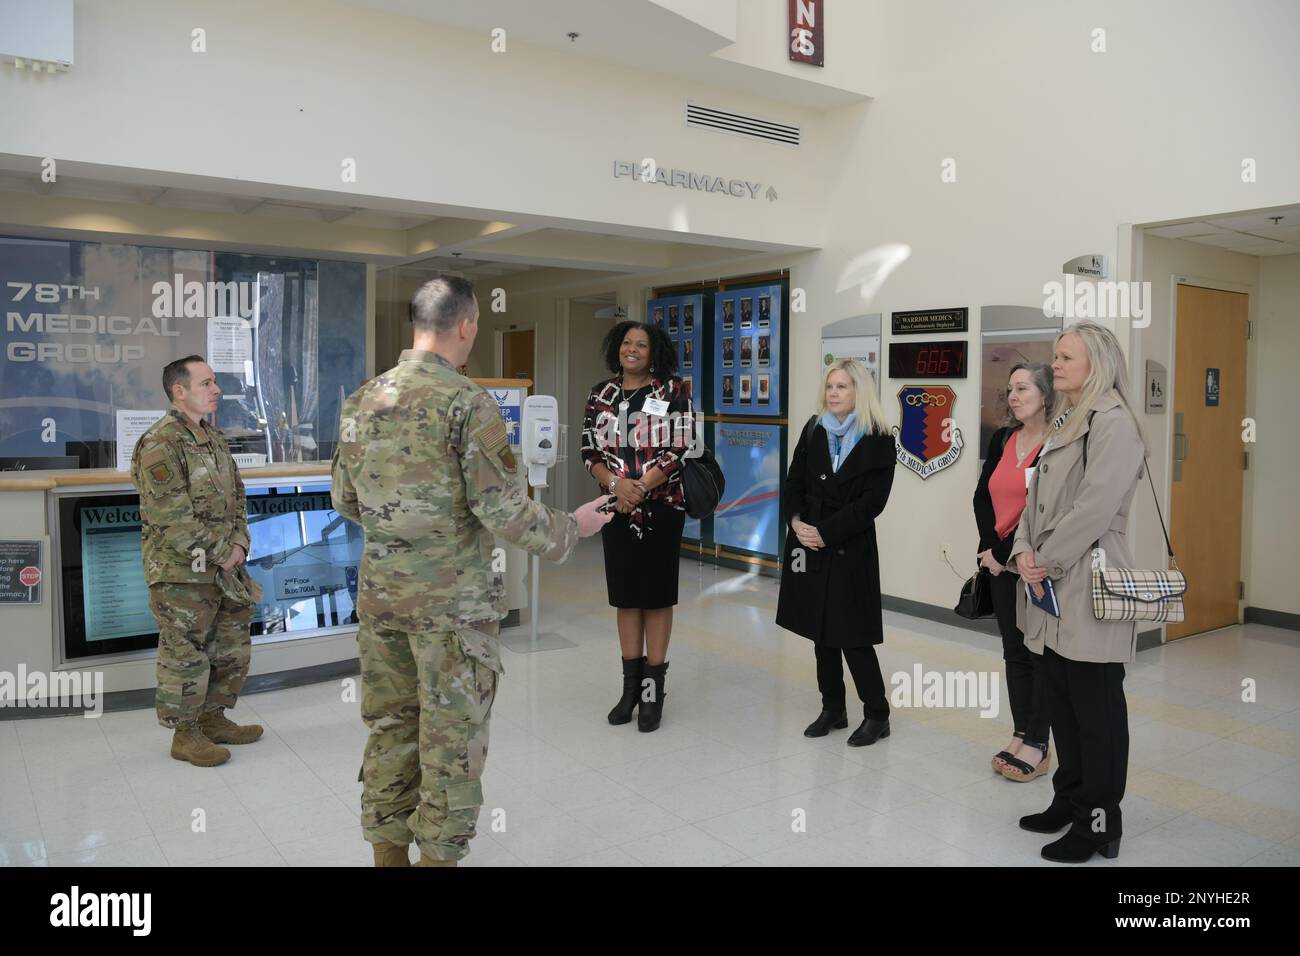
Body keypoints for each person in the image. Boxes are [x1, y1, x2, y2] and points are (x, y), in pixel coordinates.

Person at [331, 276, 611, 867]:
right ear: (465, 326)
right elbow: (501, 508)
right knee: (451, 743)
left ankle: (388, 856)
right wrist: (572, 527)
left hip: (381, 602)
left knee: (390, 730)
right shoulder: (466, 402)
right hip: (452, 612)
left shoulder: (361, 398)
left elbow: (346, 501)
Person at [1010, 320, 1146, 863]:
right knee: (1062, 703)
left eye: (1066, 357)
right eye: (1055, 356)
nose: (1055, 365)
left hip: (1088, 580)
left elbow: (1093, 507)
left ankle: (1099, 824)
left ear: (1098, 363)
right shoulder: (1068, 419)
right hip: (1050, 580)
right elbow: (1034, 494)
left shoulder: (1114, 423)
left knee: (1097, 712)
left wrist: (1042, 559)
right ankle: (1068, 800)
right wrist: (1023, 548)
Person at [131, 355, 265, 768]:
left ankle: (213, 718)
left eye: (214, 382)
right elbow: (172, 517)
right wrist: (222, 552)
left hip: (225, 568)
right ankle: (185, 734)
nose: (216, 389)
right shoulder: (160, 443)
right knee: (185, 652)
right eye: (207, 383)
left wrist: (240, 542)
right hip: (180, 575)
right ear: (179, 391)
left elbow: (238, 497)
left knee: (229, 647)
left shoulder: (213, 438)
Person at [776, 359, 897, 746]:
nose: (833, 393)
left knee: (853, 635)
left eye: (842, 387)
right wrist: (796, 523)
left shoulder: (878, 438)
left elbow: (872, 503)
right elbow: (793, 481)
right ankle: (833, 708)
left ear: (859, 392)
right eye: (830, 386)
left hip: (848, 545)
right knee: (820, 633)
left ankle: (877, 714)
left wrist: (825, 533)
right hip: (807, 541)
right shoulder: (814, 430)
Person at [581, 320, 692, 733]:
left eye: (641, 345)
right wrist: (616, 485)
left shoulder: (673, 391)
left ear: (654, 352)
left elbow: (681, 448)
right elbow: (588, 448)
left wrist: (641, 486)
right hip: (616, 507)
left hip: (662, 507)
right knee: (626, 597)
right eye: (627, 343)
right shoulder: (601, 393)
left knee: (657, 597)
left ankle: (653, 693)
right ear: (618, 349)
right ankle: (629, 690)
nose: (632, 350)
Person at [973, 363, 1053, 781]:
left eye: (1022, 388)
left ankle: (1040, 743)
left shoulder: (1058, 443)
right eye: (1010, 389)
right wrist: (991, 548)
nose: (1013, 396)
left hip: (1037, 566)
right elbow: (982, 496)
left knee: (1039, 654)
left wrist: (1005, 552)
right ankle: (1021, 731)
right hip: (1000, 565)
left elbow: (1043, 511)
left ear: (1046, 394)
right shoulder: (1005, 438)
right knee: (1013, 650)